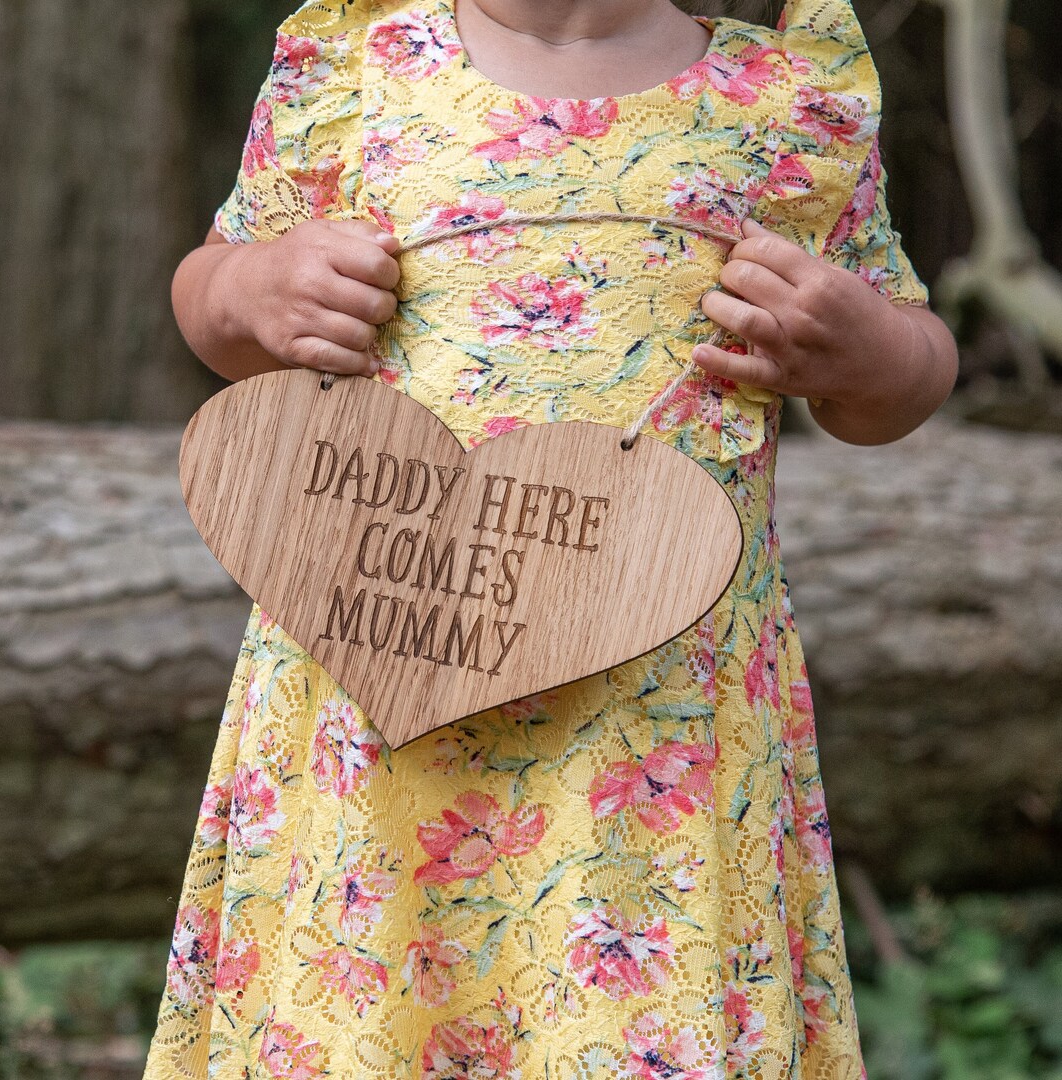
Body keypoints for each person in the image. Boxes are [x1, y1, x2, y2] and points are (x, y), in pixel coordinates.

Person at [147, 0, 958, 1076]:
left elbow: (904, 367)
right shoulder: (359, 60)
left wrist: (861, 348)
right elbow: (212, 289)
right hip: (378, 682)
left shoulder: (784, 103)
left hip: (652, 731)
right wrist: (253, 291)